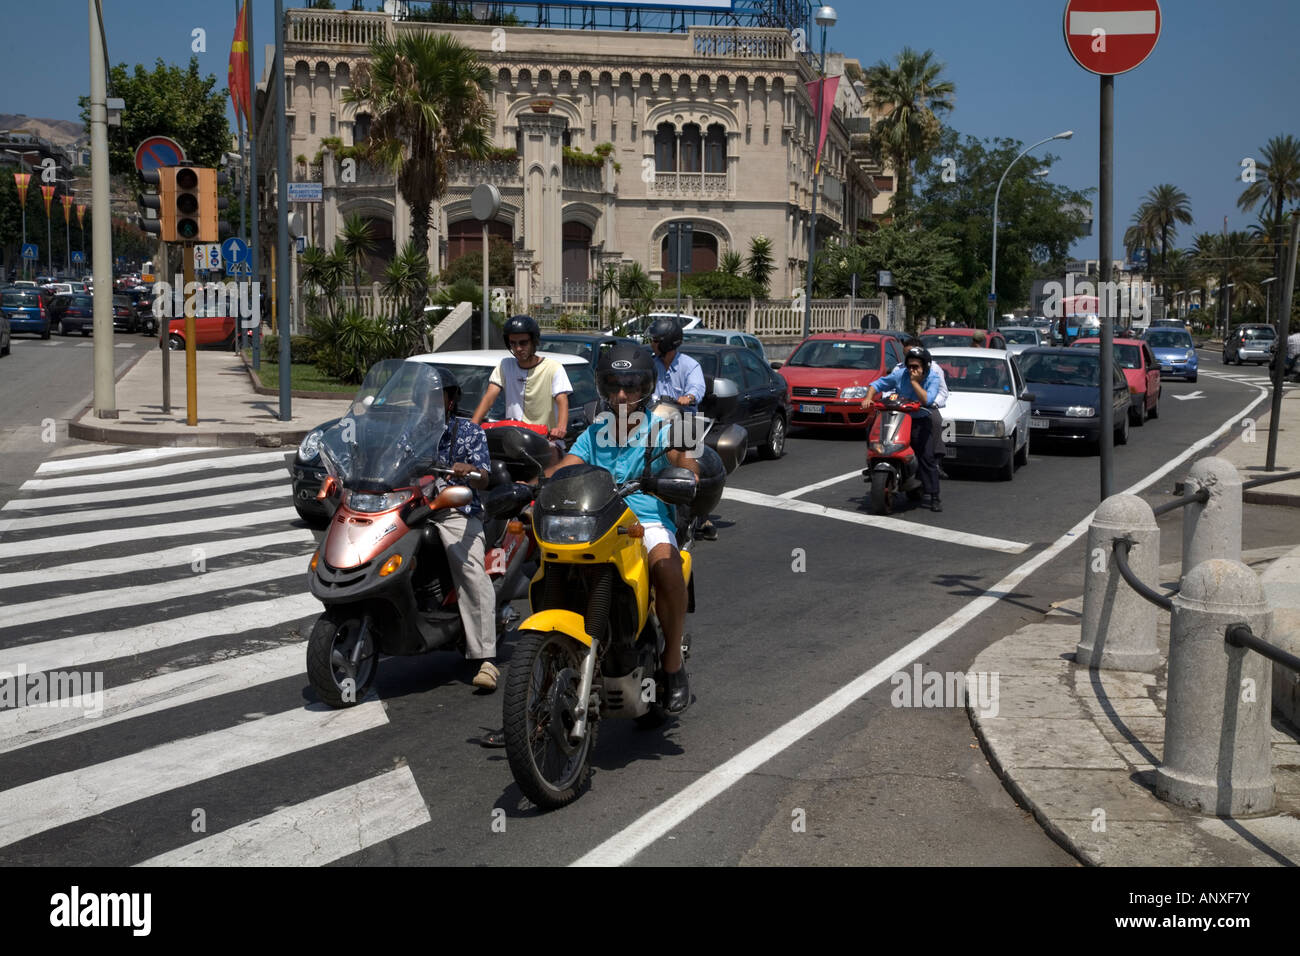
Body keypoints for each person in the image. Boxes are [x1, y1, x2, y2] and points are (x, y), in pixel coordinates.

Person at [552, 343, 700, 713]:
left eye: (630, 386)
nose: (621, 395)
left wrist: (683, 467)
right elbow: (566, 468)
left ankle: (672, 665)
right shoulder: (594, 432)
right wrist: (540, 482)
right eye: (614, 385)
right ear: (603, 387)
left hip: (645, 521)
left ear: (645, 388)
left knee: (667, 567)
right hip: (599, 520)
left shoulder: (667, 423)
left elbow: (688, 464)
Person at [430, 367, 499, 692]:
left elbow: (484, 477)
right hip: (412, 507)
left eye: (437, 394)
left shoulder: (468, 432)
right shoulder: (409, 432)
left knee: (469, 566)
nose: (430, 401)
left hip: (454, 508)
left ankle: (486, 657)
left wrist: (470, 470)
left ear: (451, 399)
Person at [646, 316, 718, 540]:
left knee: (690, 467)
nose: (652, 344)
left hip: (684, 421)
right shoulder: (651, 363)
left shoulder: (689, 365)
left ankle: (701, 514)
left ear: (668, 342)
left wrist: (689, 396)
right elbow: (642, 383)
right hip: (655, 421)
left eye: (655, 340)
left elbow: (698, 387)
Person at [861, 346, 944, 512]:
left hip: (920, 420)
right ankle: (874, 465)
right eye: (910, 366)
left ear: (925, 367)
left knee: (927, 457)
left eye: (916, 367)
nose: (912, 370)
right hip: (898, 418)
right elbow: (877, 384)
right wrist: (868, 398)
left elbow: (927, 399)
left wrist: (914, 382)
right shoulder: (900, 374)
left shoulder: (933, 378)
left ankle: (934, 496)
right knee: (872, 434)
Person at [471, 315, 572, 443]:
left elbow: (562, 400)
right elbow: (489, 398)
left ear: (533, 341)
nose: (518, 348)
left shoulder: (554, 367)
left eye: (523, 343)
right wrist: (472, 427)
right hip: (513, 439)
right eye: (513, 343)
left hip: (547, 440)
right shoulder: (505, 365)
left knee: (554, 460)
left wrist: (560, 428)